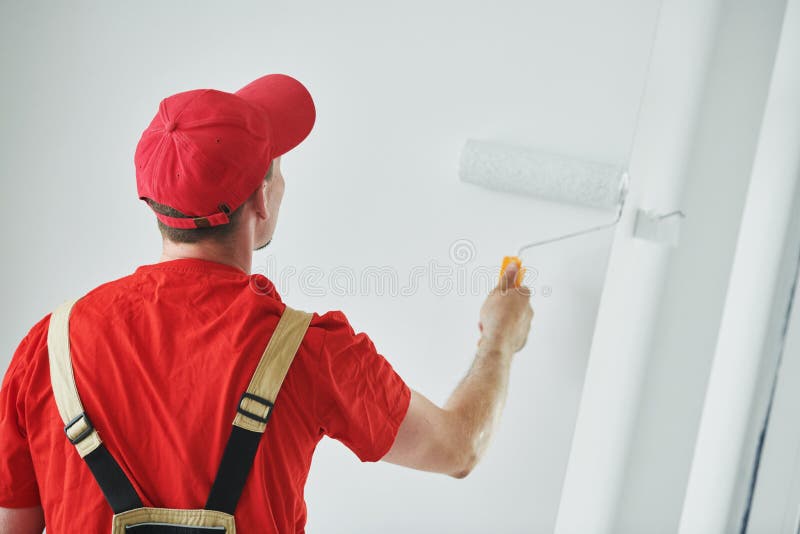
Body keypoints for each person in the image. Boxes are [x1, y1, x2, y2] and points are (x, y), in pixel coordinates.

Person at [0, 74, 533, 533]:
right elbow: (460, 447)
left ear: (153, 199)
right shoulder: (311, 353)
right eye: (278, 168)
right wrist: (500, 340)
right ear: (261, 199)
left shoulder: (48, 351)